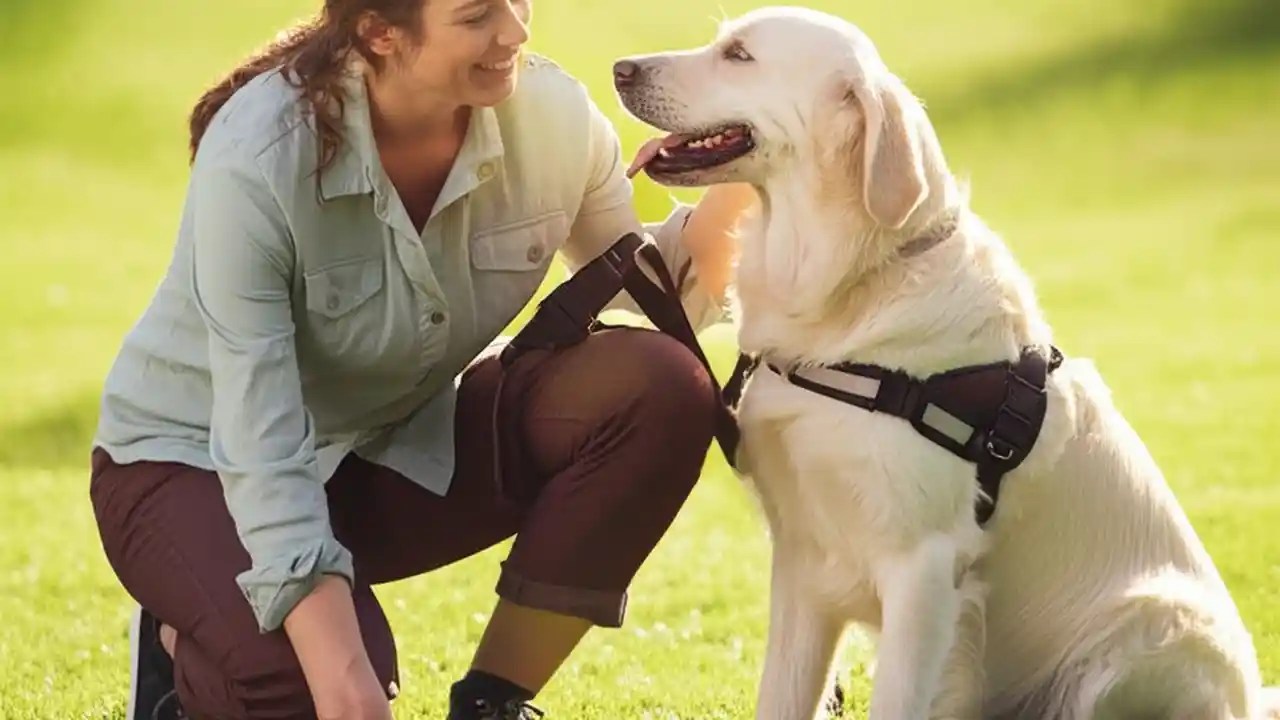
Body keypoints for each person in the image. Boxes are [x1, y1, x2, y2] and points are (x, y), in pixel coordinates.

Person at [87, 0, 755, 718]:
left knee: (661, 389)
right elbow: (260, 435)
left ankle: (491, 702)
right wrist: (348, 686)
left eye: (517, 0)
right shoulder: (258, 155)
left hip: (390, 447)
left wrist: (754, 155)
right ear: (378, 31)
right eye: (477, 15)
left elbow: (650, 296)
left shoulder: (551, 117)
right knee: (311, 687)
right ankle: (183, 644)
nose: (516, 30)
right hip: (197, 465)